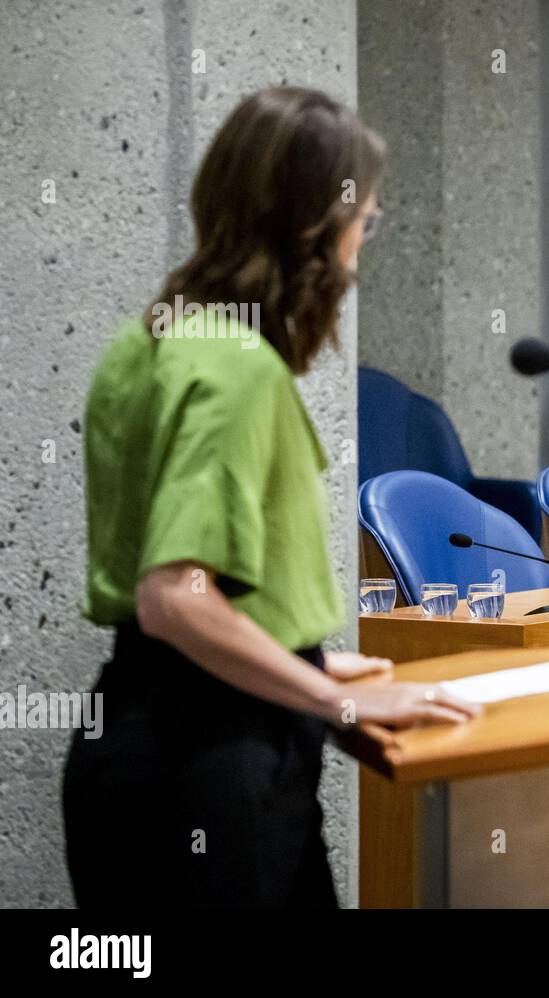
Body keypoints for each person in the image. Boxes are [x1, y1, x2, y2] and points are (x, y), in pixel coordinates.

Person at [63, 87, 480, 909]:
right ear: (315, 230)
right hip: (216, 766)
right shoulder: (241, 370)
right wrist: (338, 697)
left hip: (142, 745)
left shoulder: (148, 337)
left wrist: (311, 659)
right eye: (364, 215)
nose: (365, 238)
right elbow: (174, 599)